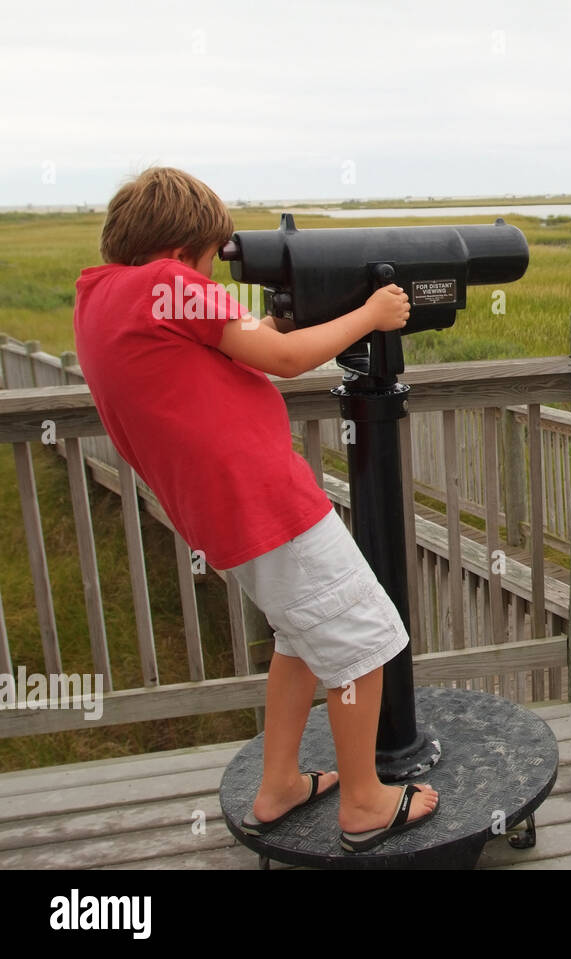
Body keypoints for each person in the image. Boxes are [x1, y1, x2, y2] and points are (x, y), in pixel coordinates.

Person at [73, 166, 438, 853]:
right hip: (265, 500)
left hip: (221, 513)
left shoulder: (102, 298)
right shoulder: (165, 283)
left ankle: (279, 786)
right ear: (184, 245)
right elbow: (285, 359)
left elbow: (220, 354)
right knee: (368, 637)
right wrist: (372, 313)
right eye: (211, 255)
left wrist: (266, 327)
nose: (214, 270)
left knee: (301, 637)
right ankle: (365, 803)